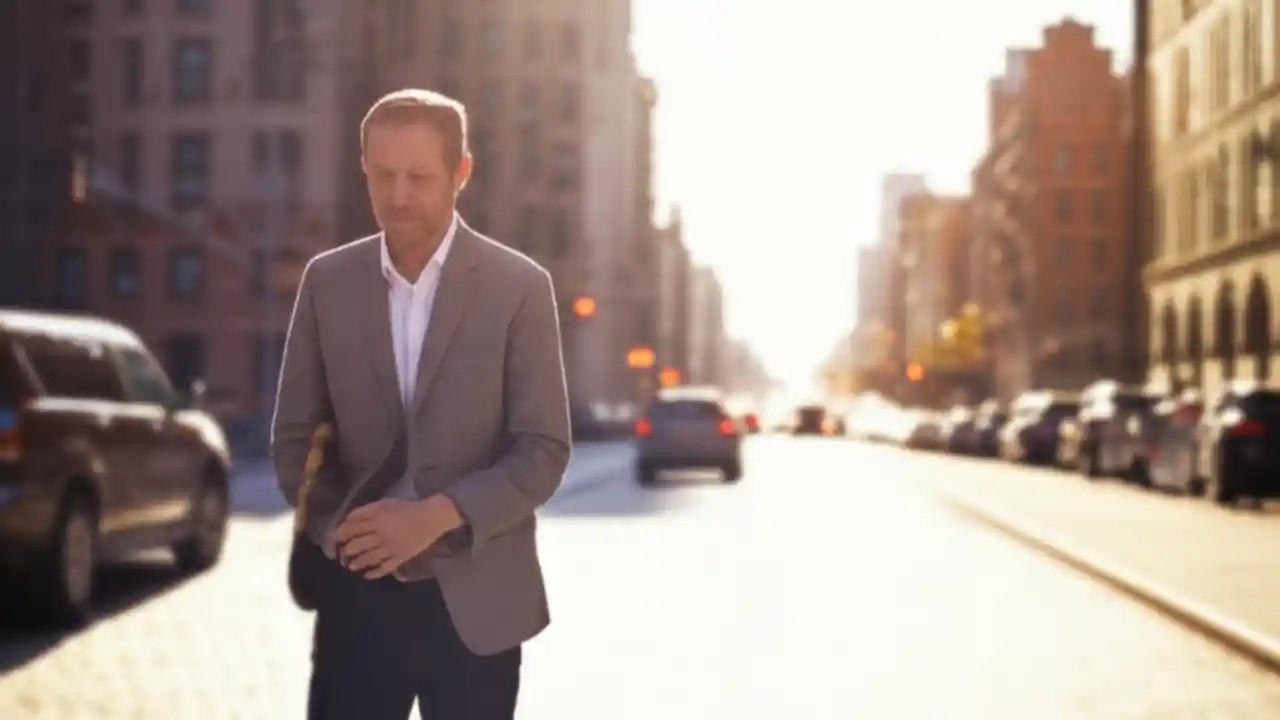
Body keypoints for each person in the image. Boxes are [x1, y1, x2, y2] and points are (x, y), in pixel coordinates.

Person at [271, 88, 572, 720]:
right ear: (363, 168)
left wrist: (437, 515)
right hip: (357, 598)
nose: (399, 195)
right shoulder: (327, 282)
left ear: (462, 173)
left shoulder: (520, 287)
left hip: (479, 603)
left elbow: (542, 449)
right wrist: (342, 537)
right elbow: (296, 439)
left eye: (419, 177)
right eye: (383, 176)